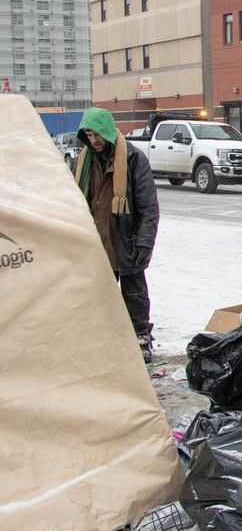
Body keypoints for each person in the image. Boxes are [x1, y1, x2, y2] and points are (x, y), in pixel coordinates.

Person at [74, 107, 159, 362]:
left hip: (126, 241)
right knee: (101, 297)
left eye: (97, 134)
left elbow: (148, 208)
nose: (94, 141)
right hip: (97, 242)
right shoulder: (83, 162)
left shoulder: (133, 159)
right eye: (89, 135)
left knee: (134, 296)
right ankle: (106, 340)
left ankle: (140, 339)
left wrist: (143, 244)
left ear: (108, 131)